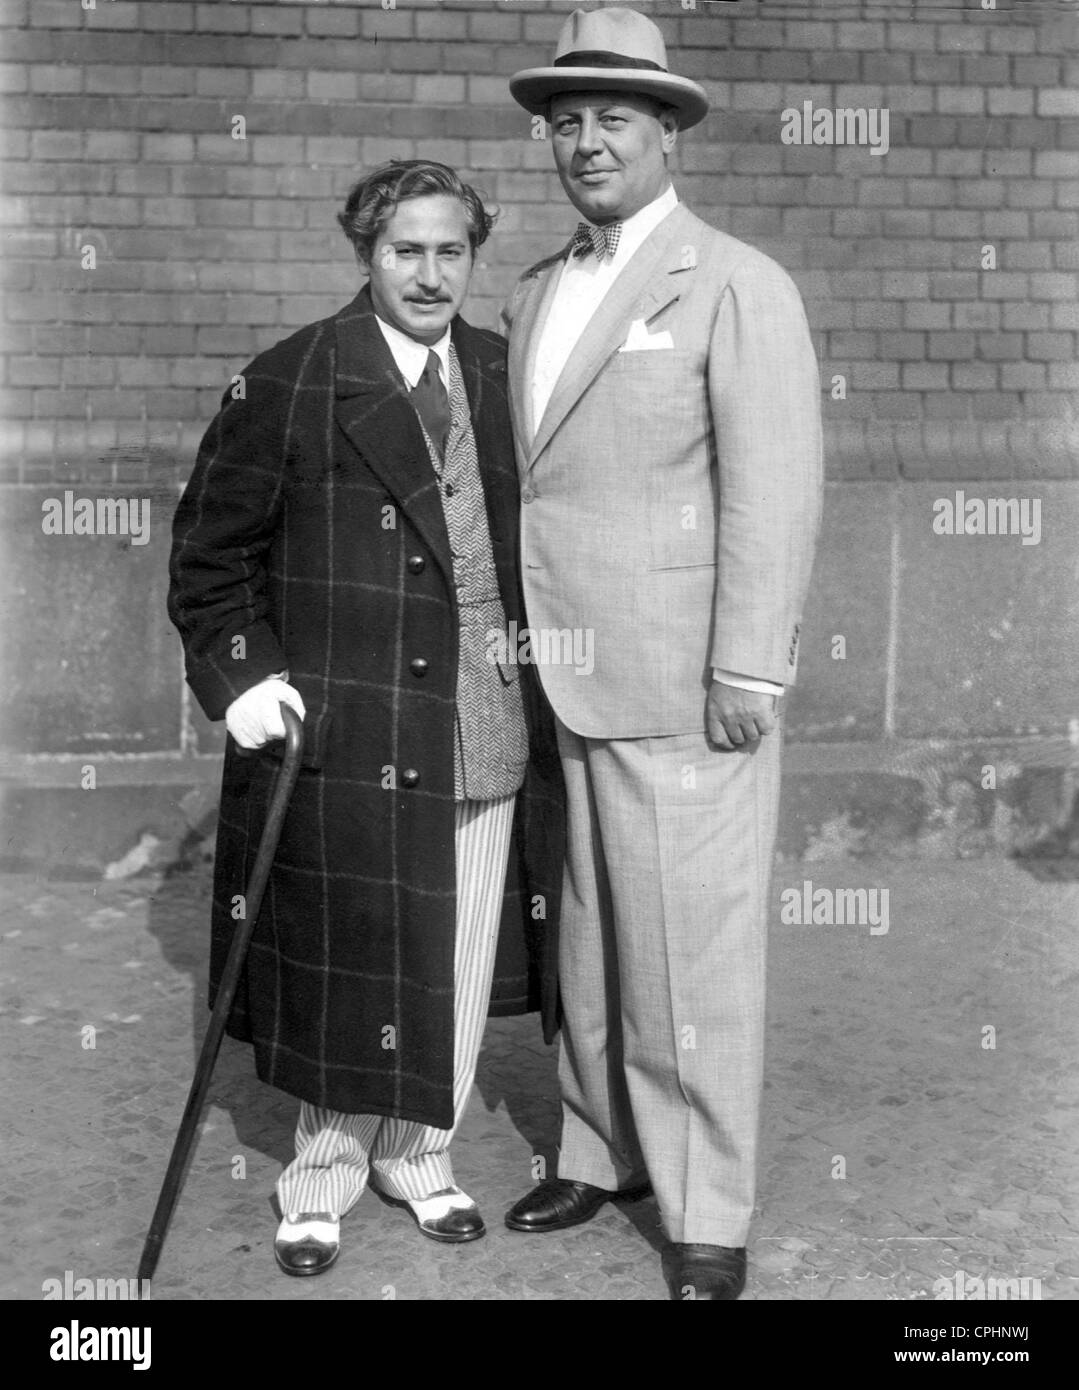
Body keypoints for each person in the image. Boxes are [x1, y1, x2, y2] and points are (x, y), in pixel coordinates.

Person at [167, 160, 563, 1278]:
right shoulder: (293, 379)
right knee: (351, 956)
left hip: (482, 711)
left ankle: (421, 1158)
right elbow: (210, 555)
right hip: (351, 727)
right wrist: (243, 675)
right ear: (365, 254)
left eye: (450, 251)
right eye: (406, 250)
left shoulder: (501, 372)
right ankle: (319, 1180)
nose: (430, 273)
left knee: (459, 948)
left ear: (472, 257)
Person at [502, 9, 823, 1300]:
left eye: (612, 118)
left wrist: (747, 665)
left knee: (689, 945)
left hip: (686, 679)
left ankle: (704, 1207)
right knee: (585, 925)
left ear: (666, 133)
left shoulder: (733, 281)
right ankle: (597, 1145)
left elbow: (773, 484)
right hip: (564, 665)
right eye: (566, 119)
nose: (585, 140)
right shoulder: (533, 287)